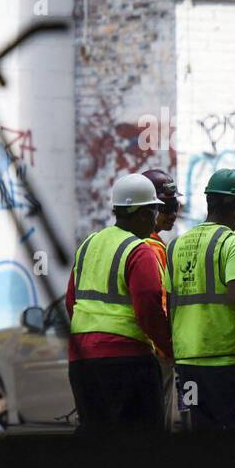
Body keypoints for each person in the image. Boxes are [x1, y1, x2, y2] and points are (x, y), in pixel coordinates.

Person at [165, 168, 235, 431]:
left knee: (200, 428)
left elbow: (169, 301)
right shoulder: (232, 243)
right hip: (225, 362)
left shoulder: (176, 246)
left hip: (187, 364)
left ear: (209, 202)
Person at [64, 173, 172, 433]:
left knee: (97, 442)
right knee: (140, 446)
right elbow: (148, 308)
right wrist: (169, 347)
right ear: (142, 213)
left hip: (82, 363)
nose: (156, 218)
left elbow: (71, 302)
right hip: (127, 361)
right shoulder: (139, 250)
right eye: (155, 210)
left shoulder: (89, 244)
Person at [141, 167, 181, 424]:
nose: (173, 214)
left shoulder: (112, 242)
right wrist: (167, 348)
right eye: (165, 208)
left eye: (175, 206)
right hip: (154, 352)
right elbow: (158, 304)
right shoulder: (152, 248)